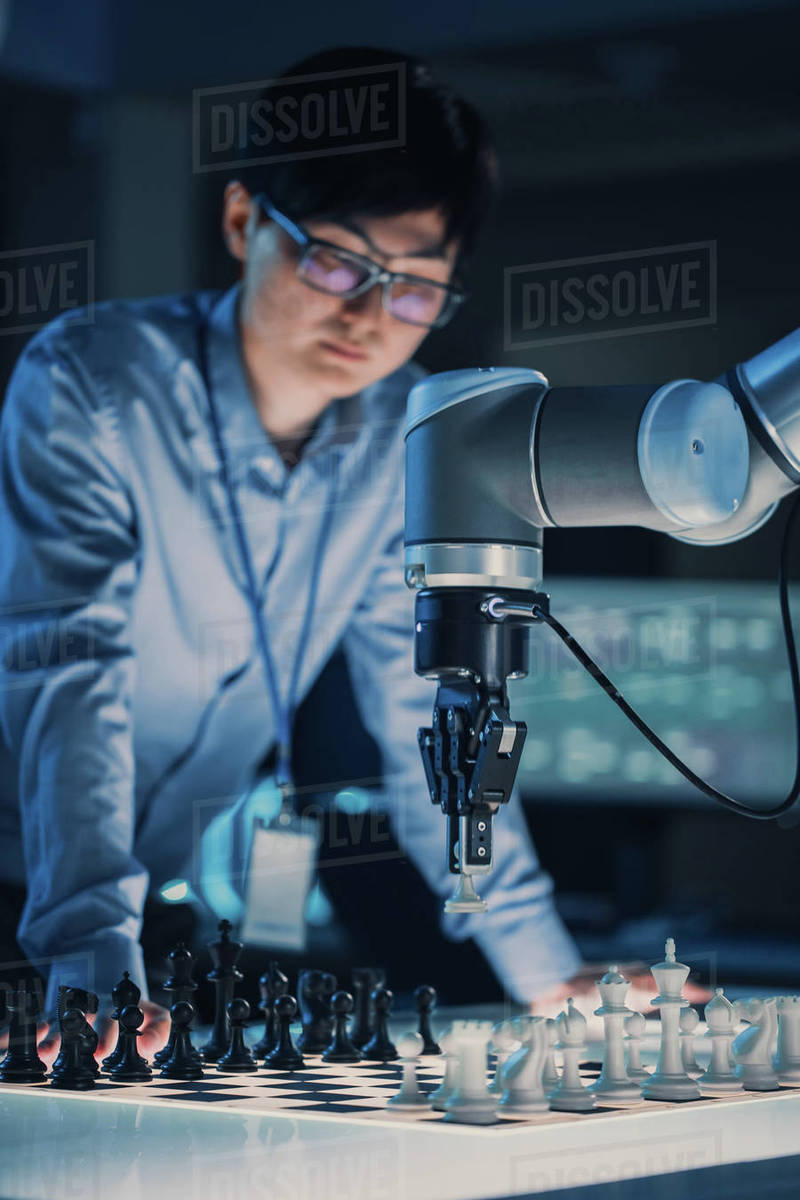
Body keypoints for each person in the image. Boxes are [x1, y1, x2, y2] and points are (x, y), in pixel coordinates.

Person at [0, 45, 702, 1062]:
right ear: (242, 221)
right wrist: (87, 954)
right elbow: (73, 669)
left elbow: (419, 704)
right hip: (43, 887)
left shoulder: (397, 433)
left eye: (417, 288)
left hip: (131, 903)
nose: (369, 316)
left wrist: (540, 966)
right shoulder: (94, 383)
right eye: (337, 261)